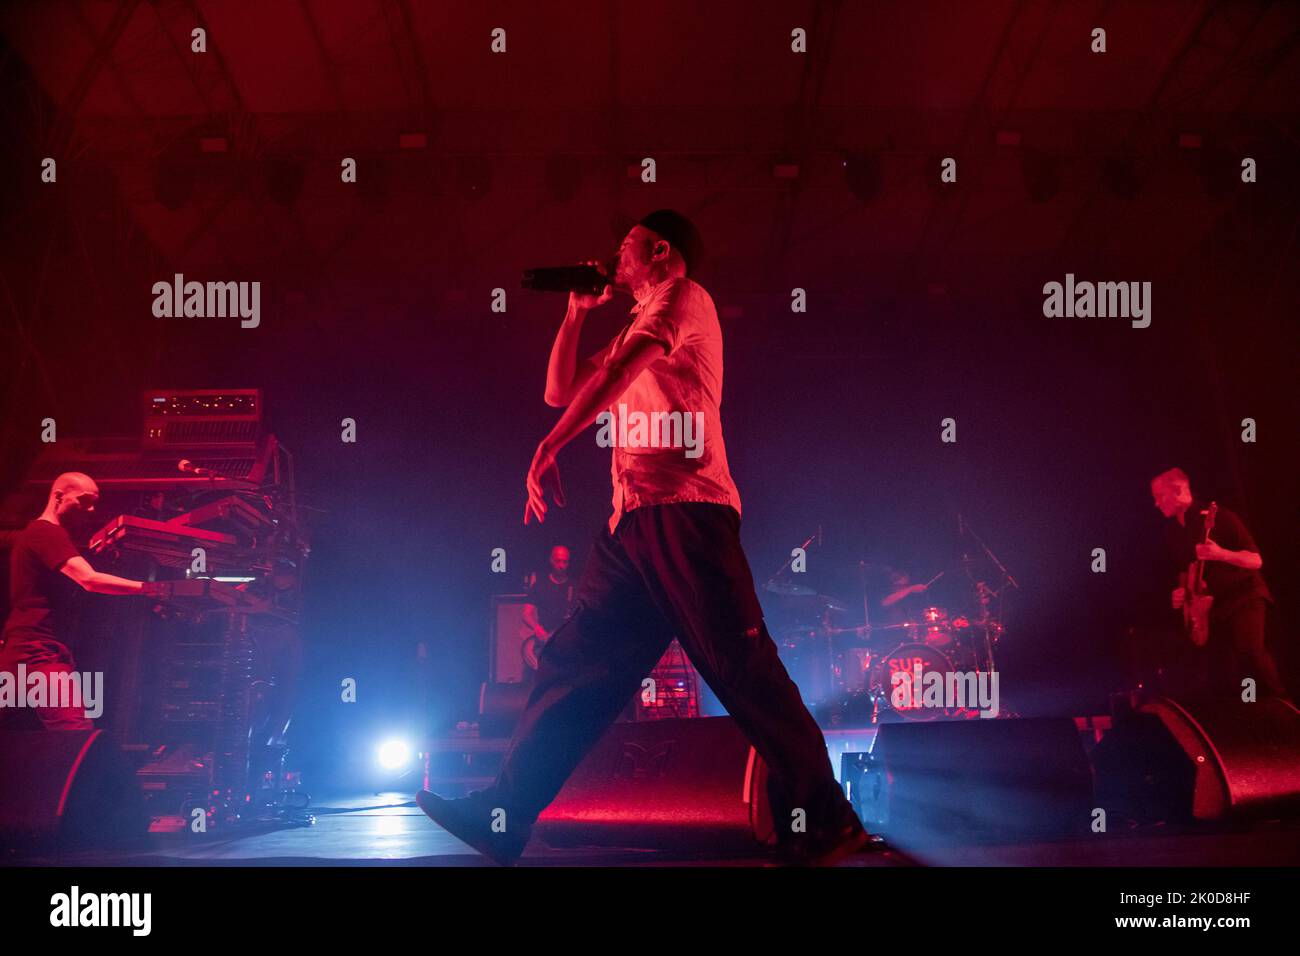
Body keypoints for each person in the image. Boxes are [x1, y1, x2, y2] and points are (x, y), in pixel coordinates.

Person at [417, 210, 870, 865]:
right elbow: (560, 389)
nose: (611, 257)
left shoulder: (683, 299)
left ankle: (828, 821)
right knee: (573, 668)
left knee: (743, 670)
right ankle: (503, 817)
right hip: (631, 526)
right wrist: (575, 313)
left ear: (658, 251)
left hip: (687, 512)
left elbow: (614, 375)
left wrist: (551, 447)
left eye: (622, 247)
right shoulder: (635, 315)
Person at [0, 472, 153, 729]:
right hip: (39, 651)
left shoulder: (35, 534)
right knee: (72, 731)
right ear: (59, 496)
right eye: (84, 501)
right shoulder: (46, 533)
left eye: (94, 502)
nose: (91, 509)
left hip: (22, 646)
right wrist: (153, 589)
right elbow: (89, 580)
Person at [1151, 467, 1288, 701]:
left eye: (1160, 495)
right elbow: (1186, 572)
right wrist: (1181, 593)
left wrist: (1221, 554)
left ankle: (1284, 708)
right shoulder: (1173, 533)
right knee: (1218, 671)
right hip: (1213, 607)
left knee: (1250, 653)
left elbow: (1256, 560)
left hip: (1244, 596)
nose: (1156, 503)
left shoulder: (1220, 517)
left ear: (1178, 490)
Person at [520, 545, 574, 673]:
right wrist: (537, 628)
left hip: (567, 643)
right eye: (558, 561)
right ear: (551, 561)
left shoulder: (574, 586)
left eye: (565, 562)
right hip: (544, 641)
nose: (561, 565)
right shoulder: (540, 585)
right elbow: (526, 614)